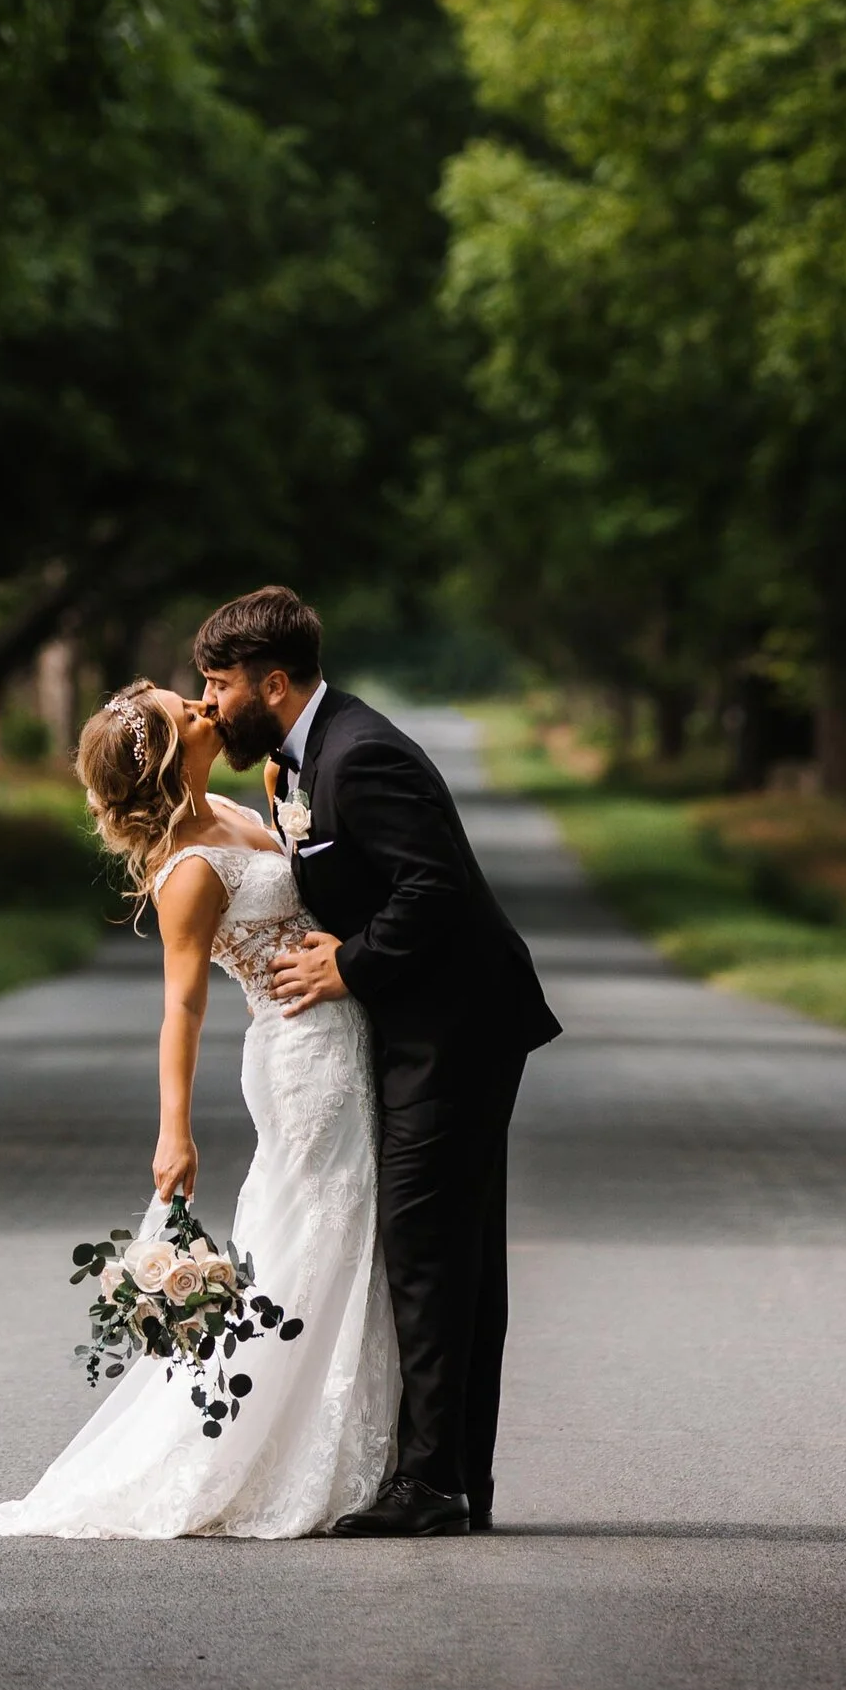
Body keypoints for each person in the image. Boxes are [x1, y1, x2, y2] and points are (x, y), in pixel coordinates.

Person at [0, 680, 397, 1540]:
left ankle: (358, 1443)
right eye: (189, 711)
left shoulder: (248, 809)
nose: (208, 710)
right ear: (168, 757)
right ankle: (276, 1450)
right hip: (301, 1056)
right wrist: (175, 1130)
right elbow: (182, 1008)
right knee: (319, 1234)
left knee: (339, 1232)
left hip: (342, 1031)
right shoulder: (191, 869)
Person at [198, 583, 559, 1537]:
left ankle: (433, 1484)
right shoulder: (308, 755)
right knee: (448, 1251)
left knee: (428, 1248)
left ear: (273, 683)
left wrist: (348, 964)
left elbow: (434, 887)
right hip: (428, 1023)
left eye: (219, 683)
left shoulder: (359, 756)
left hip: (457, 1024)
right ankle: (454, 1481)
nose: (209, 702)